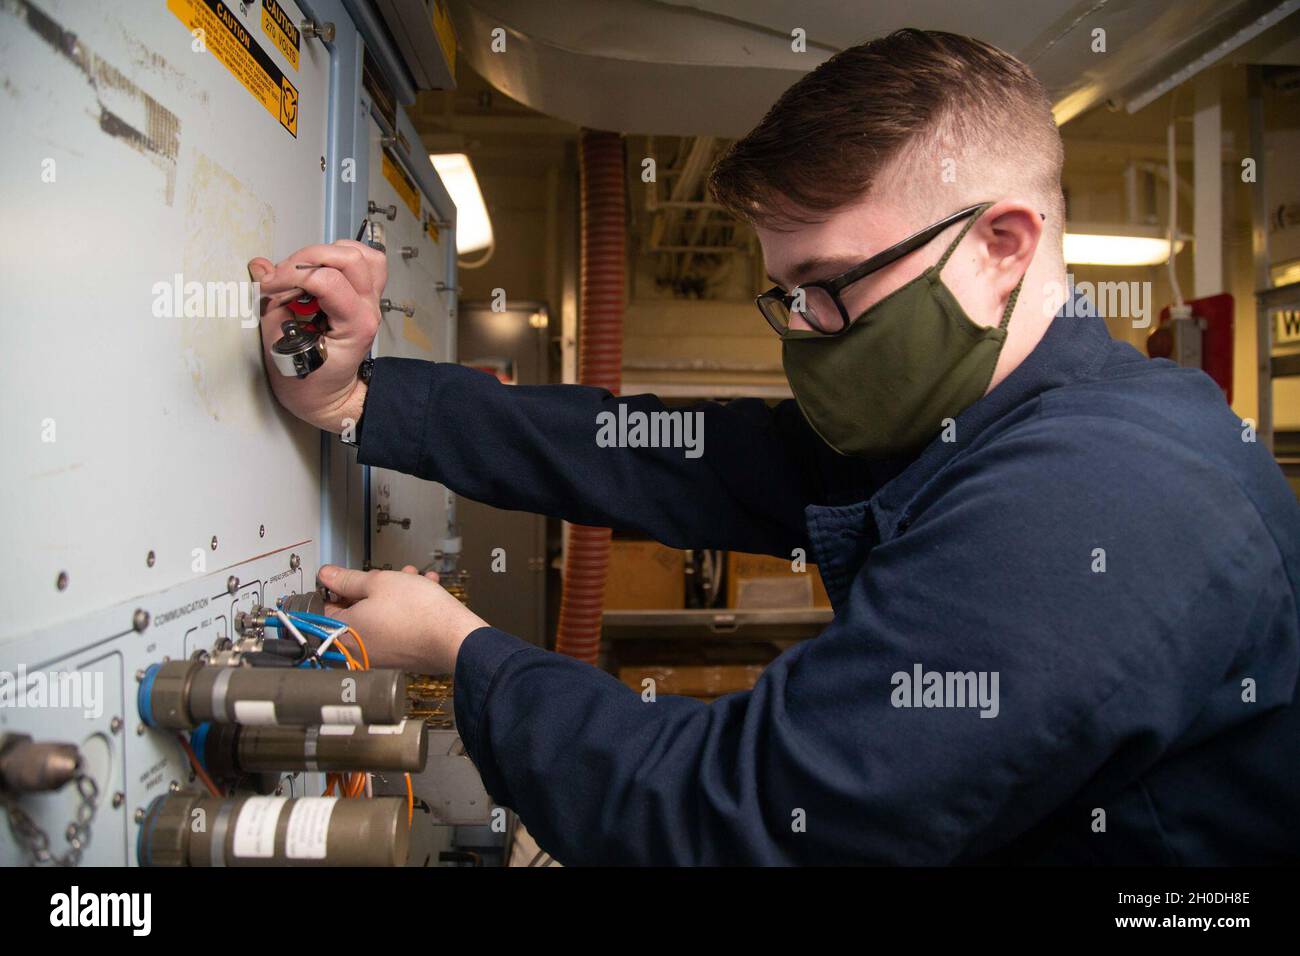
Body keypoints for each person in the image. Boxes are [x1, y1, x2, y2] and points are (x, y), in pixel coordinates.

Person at [247, 29, 1300, 864]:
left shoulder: (1098, 496)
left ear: (1000, 244)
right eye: (786, 293)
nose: (801, 330)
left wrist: (458, 647)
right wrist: (359, 398)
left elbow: (732, 821)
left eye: (831, 288)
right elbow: (662, 451)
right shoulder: (976, 419)